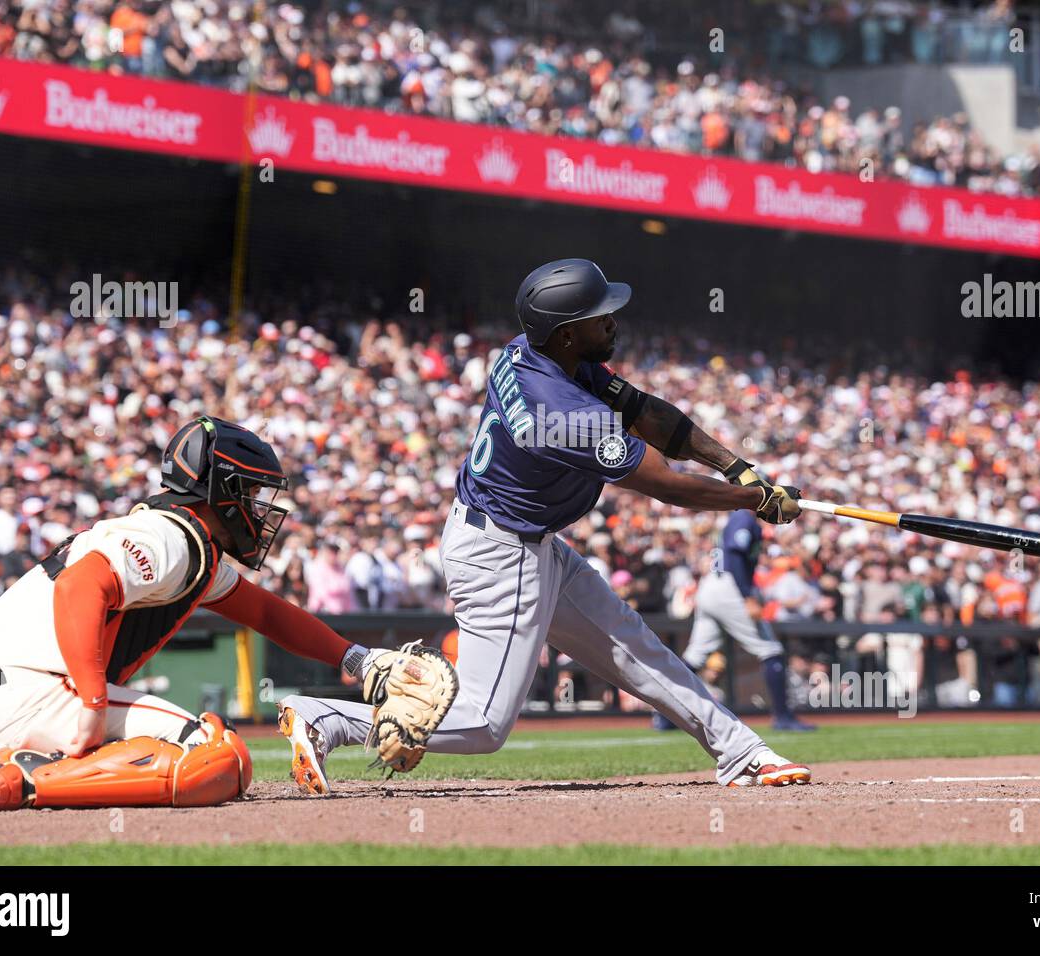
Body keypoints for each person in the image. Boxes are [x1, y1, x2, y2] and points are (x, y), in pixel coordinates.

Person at [279, 259, 812, 789]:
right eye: (599, 315)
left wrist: (735, 467)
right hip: (501, 556)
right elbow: (666, 486)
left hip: (524, 542)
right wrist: (751, 500)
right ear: (564, 333)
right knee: (485, 723)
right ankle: (327, 718)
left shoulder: (537, 353)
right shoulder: (560, 411)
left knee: (634, 647)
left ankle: (740, 751)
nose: (612, 321)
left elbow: (645, 411)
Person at [0, 417, 400, 812]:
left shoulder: (178, 536)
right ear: (225, 488)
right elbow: (79, 585)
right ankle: (15, 781)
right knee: (221, 758)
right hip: (28, 692)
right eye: (254, 492)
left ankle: (24, 765)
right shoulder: (173, 539)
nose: (260, 509)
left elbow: (264, 611)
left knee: (189, 755)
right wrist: (93, 702)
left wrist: (357, 660)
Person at [659, 511, 816, 731]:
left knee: (695, 656)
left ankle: (665, 716)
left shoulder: (737, 517)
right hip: (729, 587)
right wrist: (747, 595)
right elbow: (734, 554)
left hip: (712, 586)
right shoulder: (743, 516)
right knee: (770, 650)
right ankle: (783, 716)